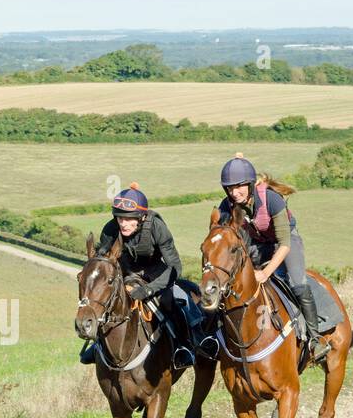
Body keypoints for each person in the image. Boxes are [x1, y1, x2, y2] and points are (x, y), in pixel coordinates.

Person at [79, 183, 217, 367]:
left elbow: (175, 267)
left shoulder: (157, 227)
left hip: (155, 271)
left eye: (129, 219)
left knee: (174, 298)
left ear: (142, 217)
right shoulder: (111, 229)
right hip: (126, 272)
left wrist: (148, 290)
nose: (123, 224)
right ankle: (97, 344)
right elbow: (102, 260)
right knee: (107, 300)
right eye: (120, 219)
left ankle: (184, 345)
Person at [215, 155, 325, 356]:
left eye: (239, 186)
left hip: (285, 242)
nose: (234, 192)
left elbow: (284, 244)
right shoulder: (226, 207)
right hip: (256, 243)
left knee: (297, 282)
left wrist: (265, 273)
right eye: (230, 188)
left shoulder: (271, 199)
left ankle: (315, 339)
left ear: (249, 184)